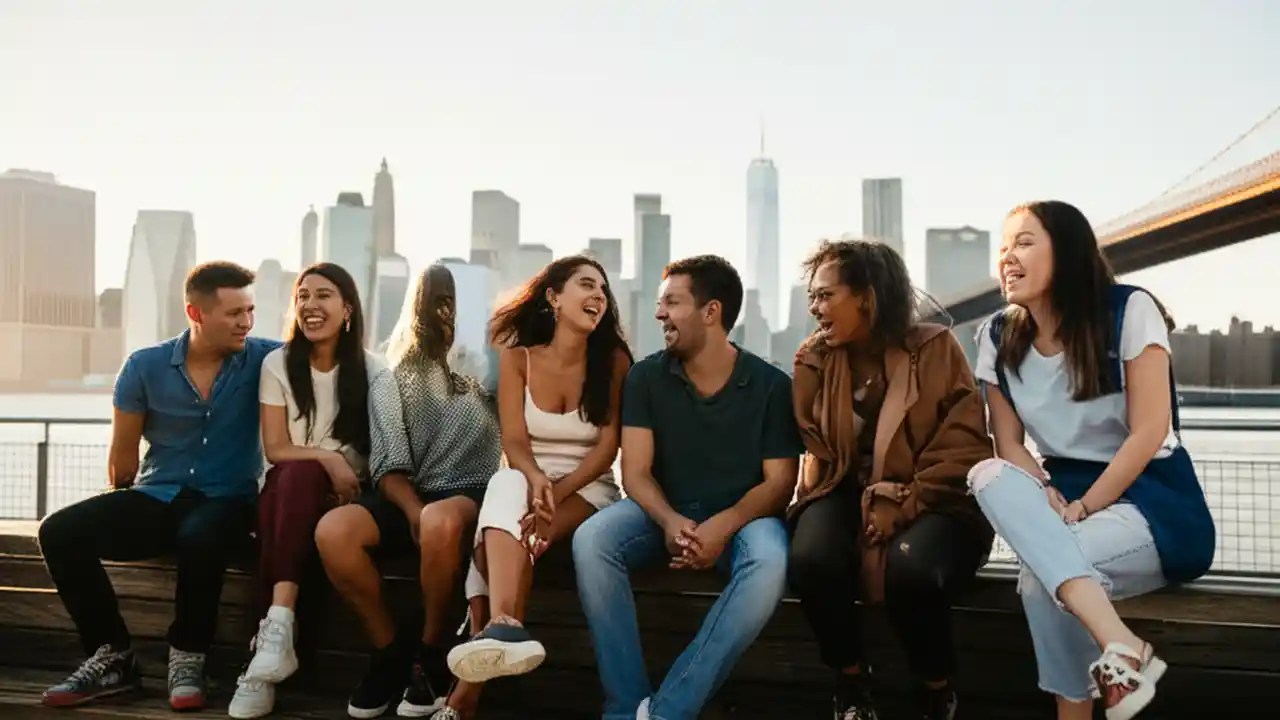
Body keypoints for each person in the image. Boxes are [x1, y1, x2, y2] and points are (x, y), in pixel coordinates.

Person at [968, 201, 1215, 720]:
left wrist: (1083, 507)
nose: (1007, 257)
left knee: (1040, 575)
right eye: (1003, 247)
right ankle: (1122, 645)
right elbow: (1008, 444)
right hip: (1063, 496)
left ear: (1069, 250)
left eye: (1024, 242)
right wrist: (1050, 497)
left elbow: (1151, 429)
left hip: (1153, 500)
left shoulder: (1129, 310)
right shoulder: (995, 335)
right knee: (987, 474)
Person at [38, 262, 280, 711]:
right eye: (233, 313)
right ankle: (112, 656)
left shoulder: (268, 359)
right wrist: (118, 508)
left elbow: (329, 365)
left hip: (227, 501)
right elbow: (123, 459)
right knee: (58, 530)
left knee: (199, 534)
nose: (246, 322)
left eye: (250, 310)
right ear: (196, 312)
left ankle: (189, 658)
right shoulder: (144, 367)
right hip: (158, 494)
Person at [571, 255, 802, 720]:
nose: (660, 315)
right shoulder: (646, 377)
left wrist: (722, 527)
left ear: (711, 312)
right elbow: (634, 472)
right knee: (592, 539)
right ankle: (624, 706)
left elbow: (780, 484)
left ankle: (667, 712)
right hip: (663, 513)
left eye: (672, 303)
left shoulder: (772, 386)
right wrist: (670, 520)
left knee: (770, 561)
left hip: (743, 522)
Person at [787, 239, 995, 720]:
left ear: (867, 296)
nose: (815, 308)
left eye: (826, 295)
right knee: (812, 558)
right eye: (812, 297)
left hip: (936, 497)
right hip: (843, 489)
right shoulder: (813, 359)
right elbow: (816, 448)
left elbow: (964, 444)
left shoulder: (935, 348)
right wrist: (867, 497)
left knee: (913, 570)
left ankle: (936, 689)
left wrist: (904, 499)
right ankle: (852, 684)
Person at [439, 256, 633, 719]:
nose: (598, 297)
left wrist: (558, 492)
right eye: (586, 285)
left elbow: (607, 450)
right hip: (528, 478)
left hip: (588, 489)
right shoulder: (518, 355)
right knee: (507, 484)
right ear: (553, 297)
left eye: (603, 291)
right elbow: (514, 441)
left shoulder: (614, 362)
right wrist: (537, 479)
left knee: (509, 539)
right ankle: (507, 625)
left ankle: (467, 689)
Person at [315, 264, 502, 719]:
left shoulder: (493, 366)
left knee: (440, 521)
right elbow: (389, 466)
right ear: (418, 304)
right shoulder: (392, 374)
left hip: (472, 495)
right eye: (436, 299)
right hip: (407, 494)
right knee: (334, 531)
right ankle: (389, 651)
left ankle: (432, 651)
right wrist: (413, 509)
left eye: (455, 300)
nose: (446, 310)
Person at [229, 263, 388, 719]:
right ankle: (277, 626)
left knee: (288, 497)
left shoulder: (375, 372)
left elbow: (379, 459)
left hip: (346, 500)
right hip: (292, 487)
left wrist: (341, 474)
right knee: (296, 479)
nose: (310, 306)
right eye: (302, 296)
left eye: (323, 296)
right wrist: (328, 458)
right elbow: (277, 449)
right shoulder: (277, 364)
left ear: (348, 308)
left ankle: (261, 660)